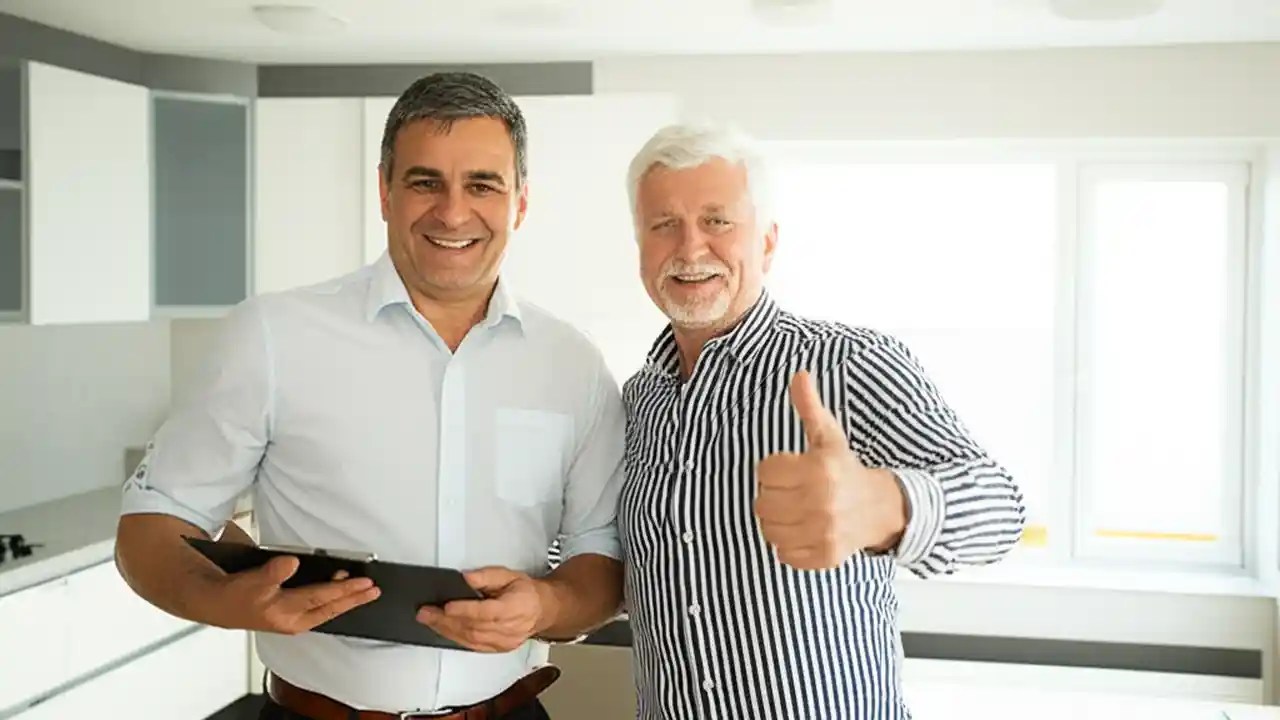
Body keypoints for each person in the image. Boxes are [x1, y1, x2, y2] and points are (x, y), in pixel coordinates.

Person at [114, 72, 626, 720]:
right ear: (384, 190)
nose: (453, 211)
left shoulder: (574, 366)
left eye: (482, 185)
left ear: (520, 203)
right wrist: (227, 601)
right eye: (424, 182)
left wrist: (548, 607)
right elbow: (151, 525)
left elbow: (599, 559)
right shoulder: (272, 336)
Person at [617, 122, 1026, 720]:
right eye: (663, 226)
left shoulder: (849, 364)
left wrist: (886, 506)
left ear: (768, 243)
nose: (690, 248)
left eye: (718, 221)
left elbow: (1002, 508)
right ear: (641, 249)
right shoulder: (635, 403)